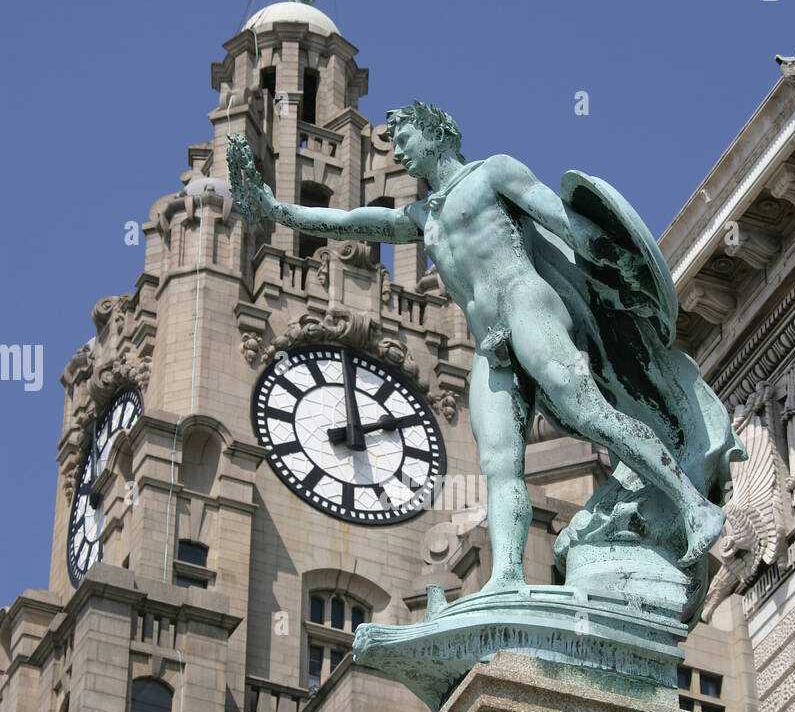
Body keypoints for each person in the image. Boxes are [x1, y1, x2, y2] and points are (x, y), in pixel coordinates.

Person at [228, 102, 740, 594]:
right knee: (498, 462)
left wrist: (614, 262)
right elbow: (351, 222)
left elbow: (562, 219)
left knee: (588, 411)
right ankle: (508, 577)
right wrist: (277, 210)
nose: (400, 153)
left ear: (439, 133)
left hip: (528, 307)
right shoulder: (420, 219)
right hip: (488, 343)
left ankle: (693, 506)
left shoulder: (493, 173)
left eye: (405, 139)